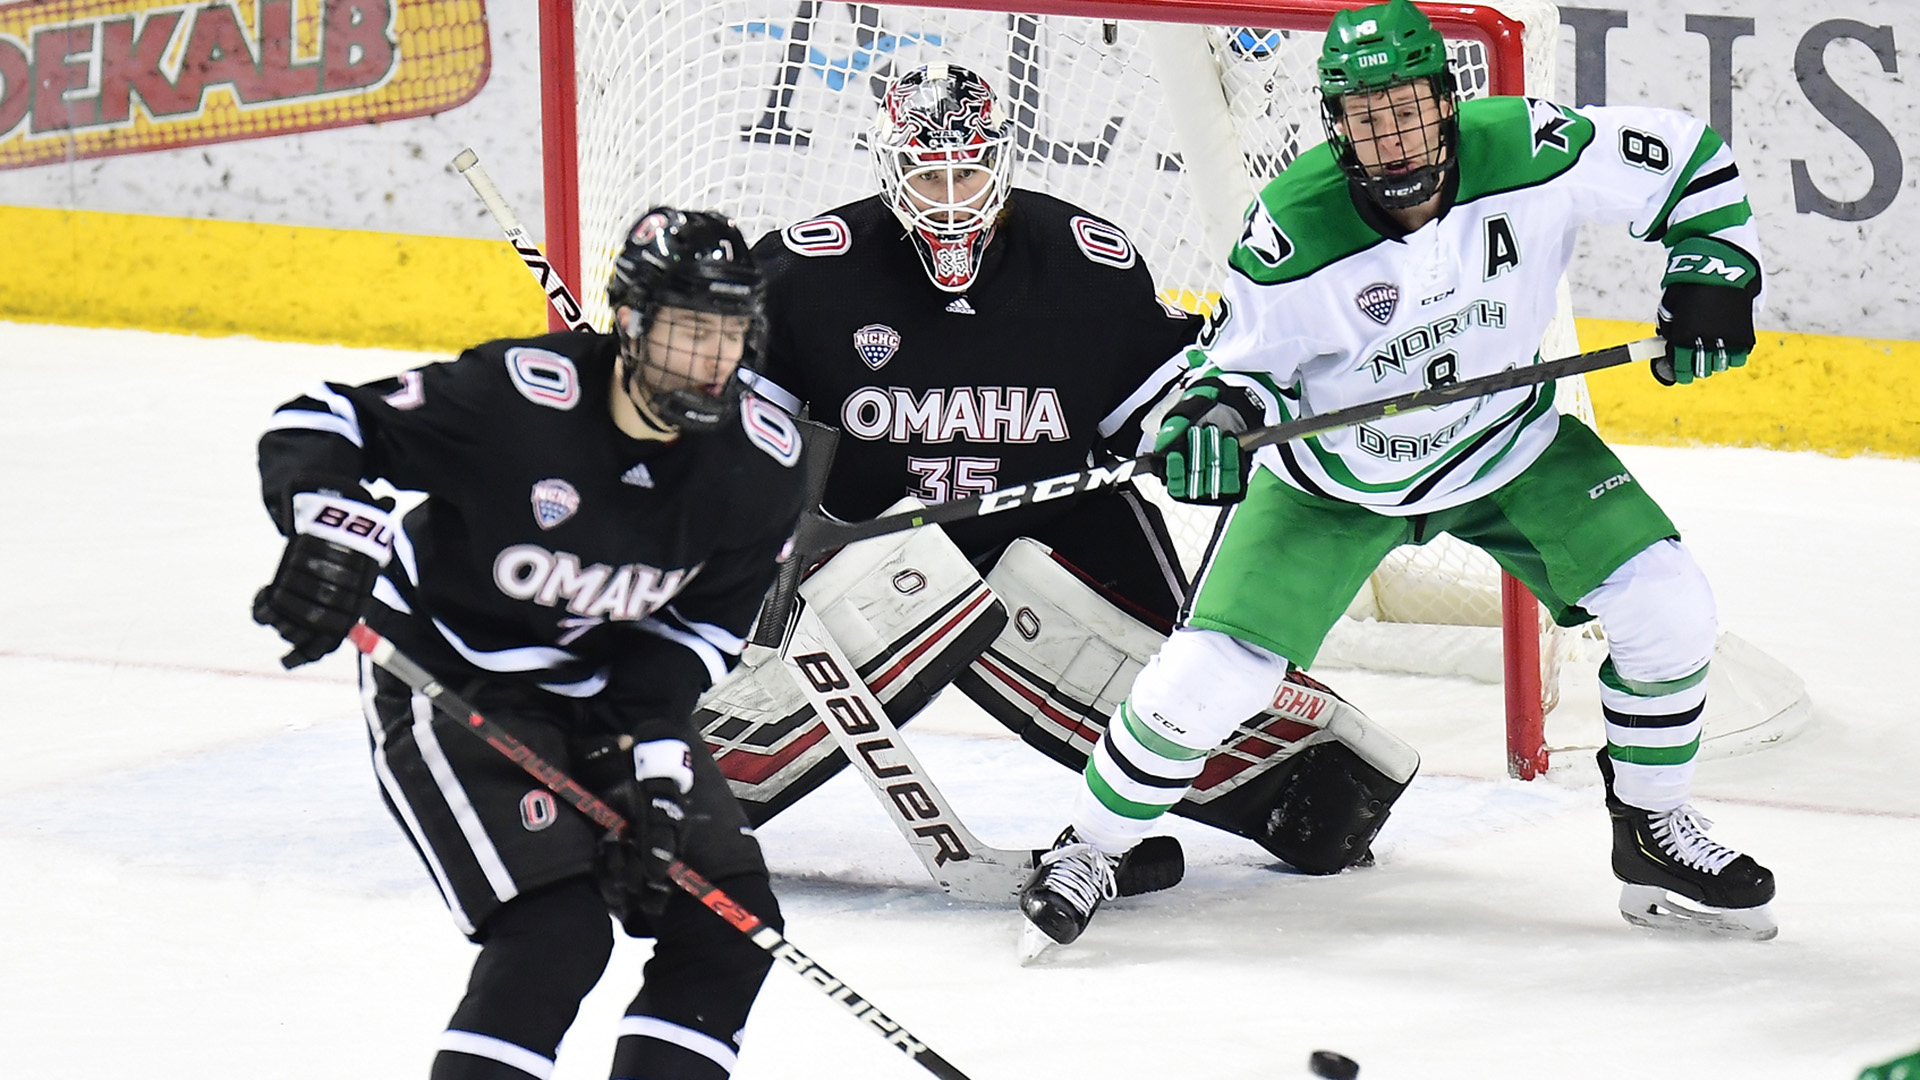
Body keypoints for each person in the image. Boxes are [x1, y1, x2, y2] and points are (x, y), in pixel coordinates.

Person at [1018, 0, 1777, 950]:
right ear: (1335, 125)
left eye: (1408, 107)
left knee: (1669, 606)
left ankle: (1654, 829)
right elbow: (1238, 372)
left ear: (1446, 99)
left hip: (1505, 446)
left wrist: (1712, 270)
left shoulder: (1531, 146)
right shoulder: (1294, 229)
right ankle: (1091, 848)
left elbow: (1689, 160)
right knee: (1208, 679)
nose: (1392, 134)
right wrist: (1211, 423)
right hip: (1333, 486)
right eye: (1365, 115)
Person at [705, 61, 1417, 887]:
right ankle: (668, 785)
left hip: (1057, 527)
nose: (950, 199)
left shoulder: (1085, 263)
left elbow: (1162, 407)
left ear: (1002, 161)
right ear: (889, 167)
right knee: (769, 660)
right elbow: (738, 442)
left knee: (1180, 684)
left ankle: (1299, 789)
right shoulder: (806, 271)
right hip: (871, 544)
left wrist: (1201, 431)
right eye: (928, 176)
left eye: (968, 173)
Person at [251, 207, 808, 1079]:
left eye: (730, 334)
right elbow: (326, 420)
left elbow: (695, 631)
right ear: (630, 321)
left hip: (603, 687)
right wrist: (331, 533)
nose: (714, 360)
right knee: (556, 933)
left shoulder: (760, 463)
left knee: (729, 926)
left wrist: (649, 764)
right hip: (454, 671)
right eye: (690, 330)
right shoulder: (518, 398)